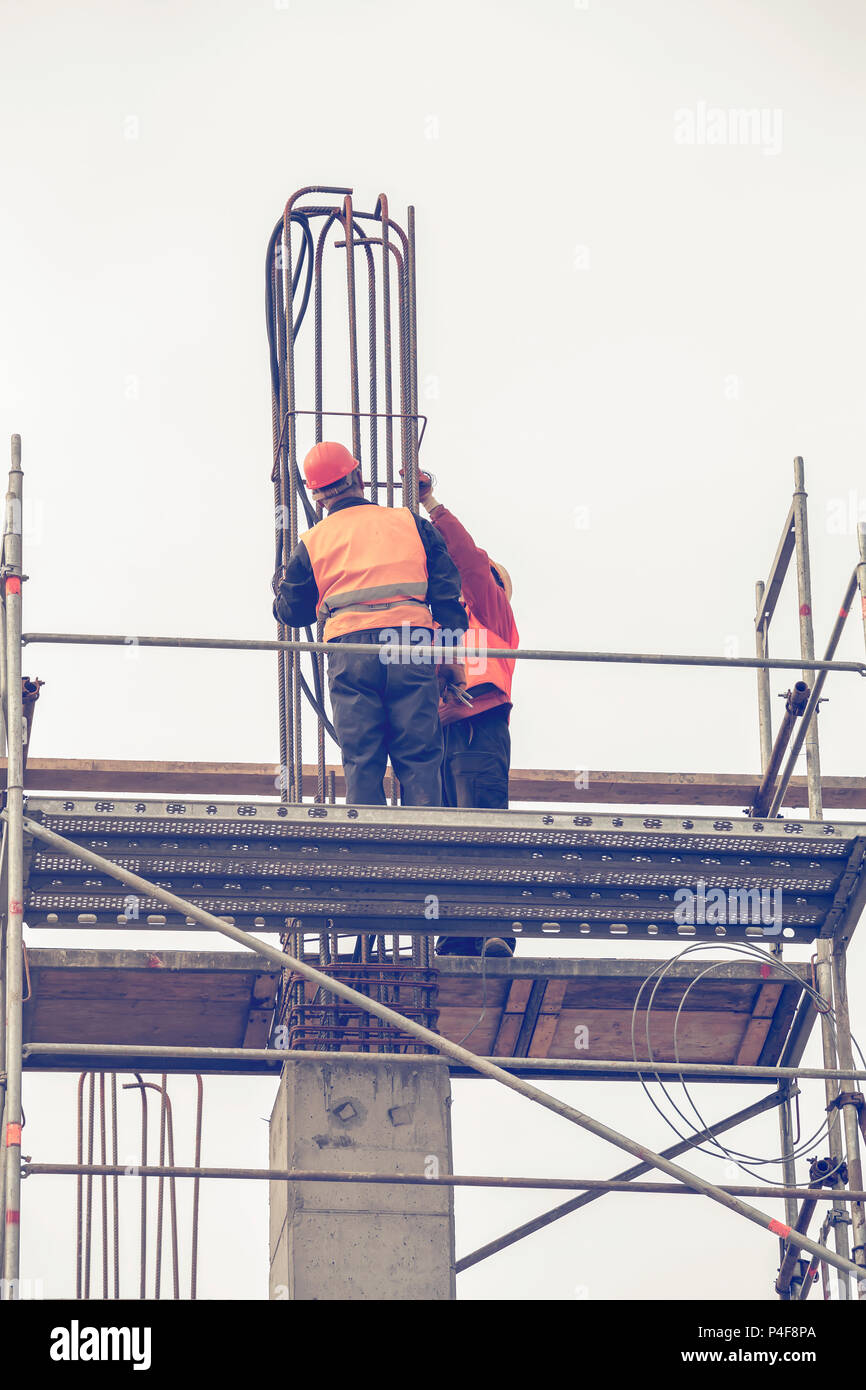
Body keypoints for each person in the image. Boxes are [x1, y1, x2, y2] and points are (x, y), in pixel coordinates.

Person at [272, 441, 467, 807]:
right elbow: (448, 600)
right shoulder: (410, 523)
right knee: (420, 753)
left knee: (362, 757)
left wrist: (281, 585)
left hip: (350, 650)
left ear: (316, 497)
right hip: (408, 644)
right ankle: (424, 839)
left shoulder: (312, 542)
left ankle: (367, 842)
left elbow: (291, 613)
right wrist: (452, 659)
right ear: (358, 476)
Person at [418, 472, 519, 958]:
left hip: (478, 721)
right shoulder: (441, 624)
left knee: (483, 826)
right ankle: (459, 933)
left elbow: (469, 561)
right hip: (435, 732)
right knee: (446, 836)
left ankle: (495, 928)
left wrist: (431, 508)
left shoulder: (491, 612)